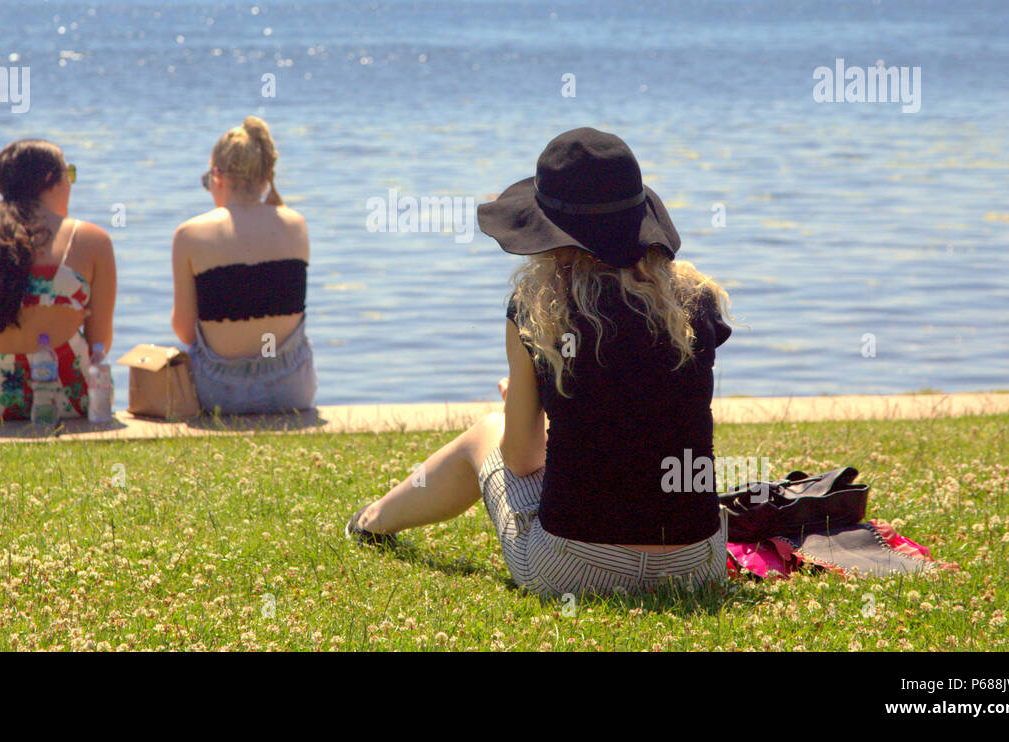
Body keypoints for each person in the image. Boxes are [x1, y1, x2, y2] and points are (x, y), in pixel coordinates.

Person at [345, 127, 734, 598]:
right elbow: (655, 407)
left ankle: (370, 522)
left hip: (576, 568)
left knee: (488, 432)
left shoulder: (538, 312)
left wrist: (526, 409)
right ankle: (371, 521)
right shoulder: (696, 303)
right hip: (698, 565)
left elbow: (522, 458)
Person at [0, 139, 117, 420]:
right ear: (52, 180)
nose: (71, 183)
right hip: (71, 400)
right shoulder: (92, 240)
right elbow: (100, 344)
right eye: (69, 173)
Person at [170, 116, 316, 414]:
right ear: (265, 177)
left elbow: (184, 331)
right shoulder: (296, 225)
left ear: (218, 175)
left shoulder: (189, 234)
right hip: (291, 389)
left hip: (218, 392)